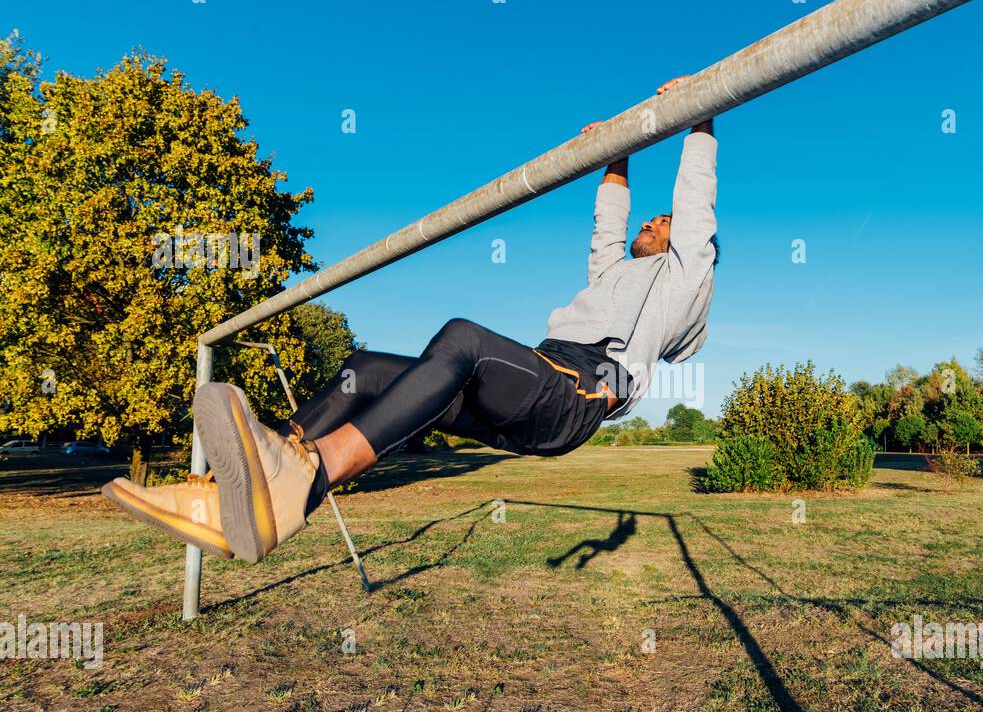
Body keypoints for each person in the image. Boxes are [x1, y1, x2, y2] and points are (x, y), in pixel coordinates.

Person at [102, 76, 718, 564]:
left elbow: (696, 208)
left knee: (463, 339)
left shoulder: (686, 276)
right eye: (650, 219)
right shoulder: (612, 273)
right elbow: (606, 225)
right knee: (364, 371)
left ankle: (309, 473)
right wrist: (619, 149)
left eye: (659, 223)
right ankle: (241, 492)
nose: (650, 223)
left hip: (577, 394)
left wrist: (700, 111)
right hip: (526, 396)